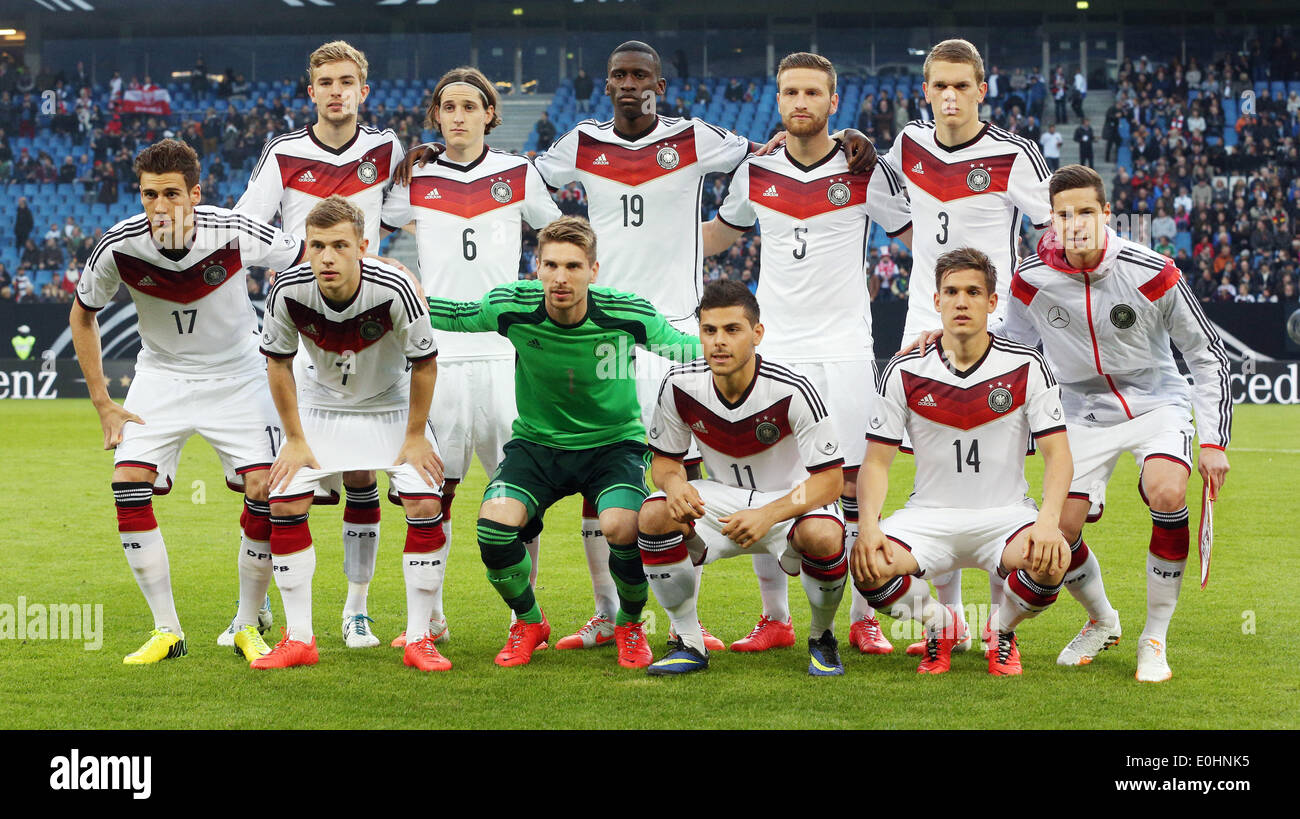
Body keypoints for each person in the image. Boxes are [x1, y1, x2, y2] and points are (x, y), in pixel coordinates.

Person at [702, 51, 913, 655]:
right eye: (790, 92)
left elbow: (916, 231)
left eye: (812, 93)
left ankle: (861, 617)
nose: (800, 102)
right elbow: (720, 234)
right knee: (765, 481)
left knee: (847, 484)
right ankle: (776, 618)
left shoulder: (864, 170)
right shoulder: (756, 170)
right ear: (778, 99)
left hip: (845, 347)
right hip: (777, 346)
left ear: (832, 102)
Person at [426, 216, 701, 669]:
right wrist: (382, 286)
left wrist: (746, 351)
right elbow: (451, 313)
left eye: (573, 266)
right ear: (536, 267)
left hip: (613, 446)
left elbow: (684, 347)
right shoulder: (510, 306)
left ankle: (630, 623)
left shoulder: (626, 312)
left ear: (594, 271)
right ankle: (529, 622)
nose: (560, 277)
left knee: (621, 527)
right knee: (493, 528)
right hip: (537, 445)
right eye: (550, 265)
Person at [68, 139, 304, 665]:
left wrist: (289, 343)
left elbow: (303, 261)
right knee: (127, 483)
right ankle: (166, 630)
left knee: (265, 488)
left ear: (195, 194)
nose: (159, 206)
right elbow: (82, 314)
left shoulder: (236, 231)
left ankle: (247, 623)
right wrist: (104, 403)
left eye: (172, 193)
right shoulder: (119, 246)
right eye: (149, 194)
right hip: (162, 377)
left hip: (240, 374)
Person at [1005, 164, 1231, 682]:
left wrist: (1214, 439)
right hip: (1080, 411)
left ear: (1107, 215)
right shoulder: (1030, 279)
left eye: (1087, 211)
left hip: (1156, 401)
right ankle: (1102, 619)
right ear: (1050, 222)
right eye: (1064, 215)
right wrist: (943, 338)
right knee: (1058, 532)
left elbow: (1206, 355)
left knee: (1167, 490)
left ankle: (1155, 637)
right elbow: (1013, 349)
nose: (1076, 223)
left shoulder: (1152, 271)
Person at [234, 40, 408, 650]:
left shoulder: (386, 150)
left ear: (364, 89)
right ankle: (249, 613)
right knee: (273, 479)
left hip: (366, 330)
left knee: (361, 475)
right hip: (297, 327)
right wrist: (308, 255)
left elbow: (408, 216)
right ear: (311, 92)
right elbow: (246, 236)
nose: (337, 91)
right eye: (326, 82)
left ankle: (356, 610)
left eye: (347, 81)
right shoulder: (284, 153)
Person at [379, 66, 561, 647]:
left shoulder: (518, 173)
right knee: (434, 492)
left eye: (469, 106)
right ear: (436, 116)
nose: (458, 115)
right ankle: (429, 618)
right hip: (440, 357)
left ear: (490, 115)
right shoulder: (416, 177)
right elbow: (367, 218)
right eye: (448, 106)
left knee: (520, 493)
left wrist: (540, 296)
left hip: (507, 361)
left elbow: (561, 236)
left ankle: (521, 614)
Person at [888, 38, 1053, 654]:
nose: (950, 95)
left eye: (962, 85)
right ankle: (949, 624)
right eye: (939, 85)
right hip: (921, 323)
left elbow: (1052, 227)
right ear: (926, 90)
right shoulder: (907, 145)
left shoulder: (1013, 154)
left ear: (982, 89)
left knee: (996, 473)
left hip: (996, 327)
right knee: (935, 470)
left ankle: (1000, 626)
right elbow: (873, 191)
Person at [852, 246, 1072, 675]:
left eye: (973, 292)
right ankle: (941, 624)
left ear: (992, 302)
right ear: (936, 302)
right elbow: (876, 462)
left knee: (1054, 558)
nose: (961, 301)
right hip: (929, 516)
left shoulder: (1027, 365)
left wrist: (1048, 521)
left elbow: (1058, 455)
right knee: (867, 566)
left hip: (1005, 515)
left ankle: (1001, 630)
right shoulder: (903, 369)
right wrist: (868, 527)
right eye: (951, 291)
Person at [253, 195, 443, 671]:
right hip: (320, 404)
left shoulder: (396, 286)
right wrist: (294, 438)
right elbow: (277, 364)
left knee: (424, 501)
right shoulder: (288, 290)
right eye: (317, 246)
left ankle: (420, 637)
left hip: (390, 401)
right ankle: (299, 638)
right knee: (283, 500)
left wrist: (416, 435)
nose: (327, 257)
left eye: (339, 245)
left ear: (362, 246)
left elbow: (425, 364)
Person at [640, 280, 850, 676]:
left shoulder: (793, 388)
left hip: (789, 500)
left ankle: (822, 637)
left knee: (823, 535)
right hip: (721, 500)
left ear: (757, 334)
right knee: (653, 514)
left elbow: (830, 481)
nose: (719, 342)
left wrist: (768, 514)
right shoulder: (679, 384)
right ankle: (688, 641)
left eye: (732, 330)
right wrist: (674, 485)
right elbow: (664, 463)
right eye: (709, 330)